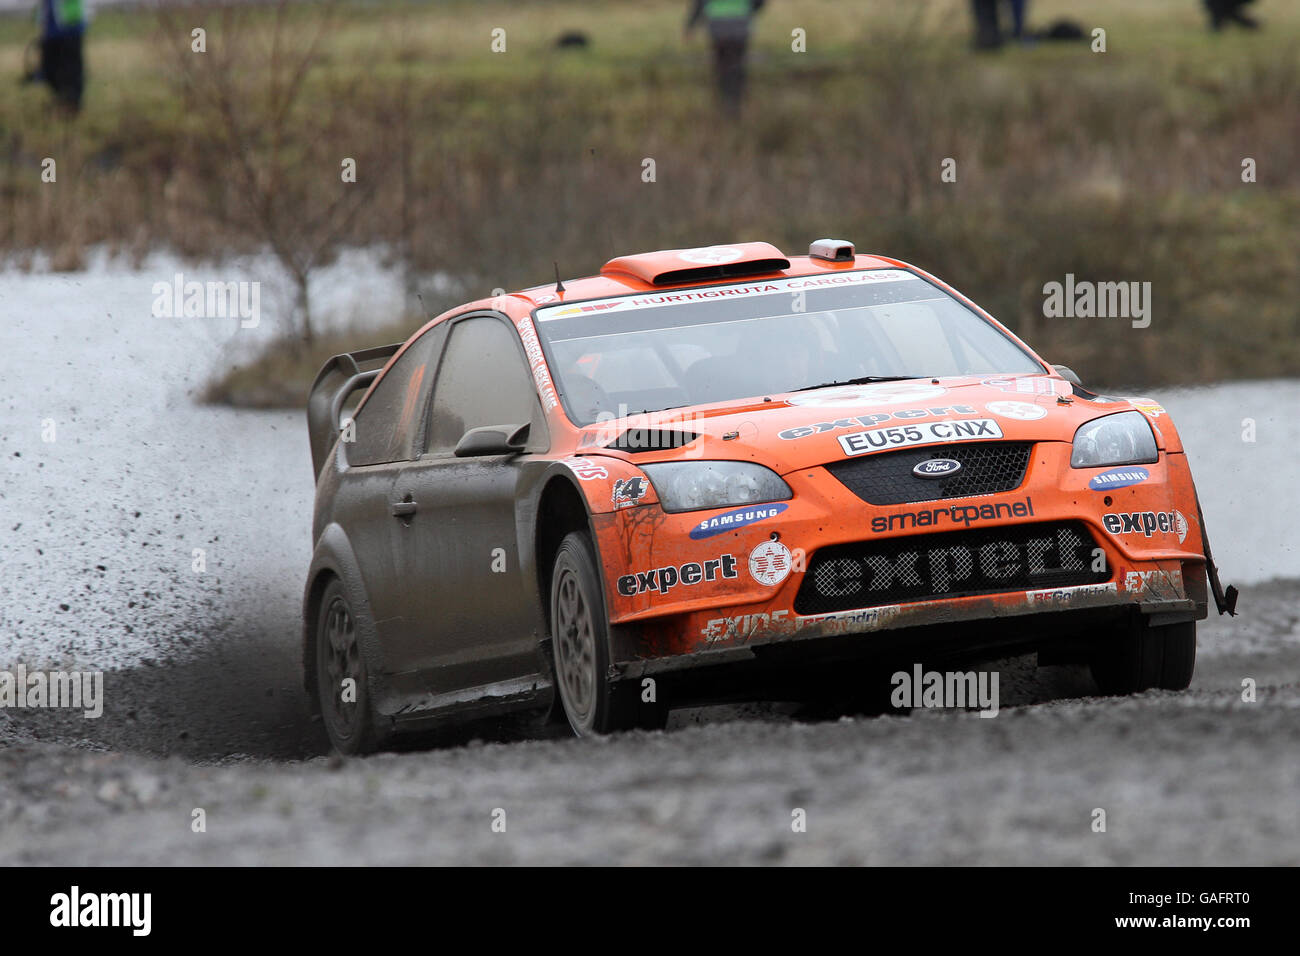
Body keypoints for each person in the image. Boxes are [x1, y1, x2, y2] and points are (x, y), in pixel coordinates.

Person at [685, 0, 765, 116]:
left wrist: (691, 25)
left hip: (718, 28)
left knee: (721, 65)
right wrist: (749, 11)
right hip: (740, 25)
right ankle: (736, 101)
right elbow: (759, 2)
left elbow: (699, 4)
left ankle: (724, 101)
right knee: (737, 65)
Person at [29, 0, 86, 114]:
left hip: (70, 26)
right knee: (49, 69)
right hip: (51, 28)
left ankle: (71, 104)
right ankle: (62, 99)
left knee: (71, 69)